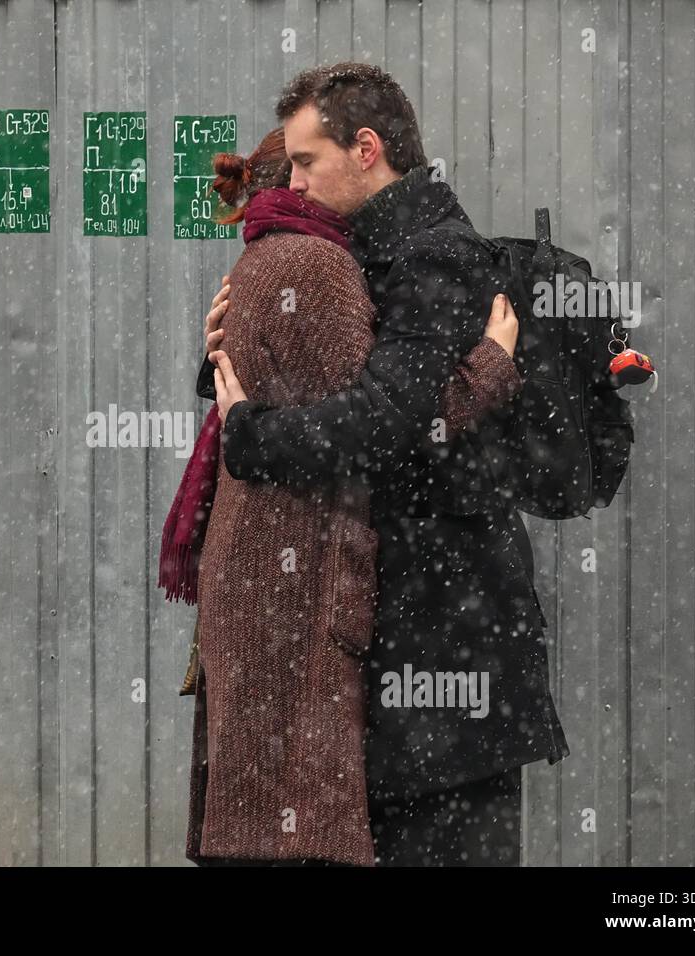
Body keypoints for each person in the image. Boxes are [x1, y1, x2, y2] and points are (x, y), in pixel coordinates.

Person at [203, 63, 569, 866]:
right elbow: (342, 388)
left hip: (451, 637)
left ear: (365, 149)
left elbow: (380, 424)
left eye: (305, 162)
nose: (293, 181)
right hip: (404, 635)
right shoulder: (352, 252)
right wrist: (228, 360)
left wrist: (252, 435)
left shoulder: (434, 257)